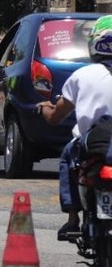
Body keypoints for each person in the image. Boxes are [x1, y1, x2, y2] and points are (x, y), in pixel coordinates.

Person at [38, 15, 112, 240]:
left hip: (92, 144)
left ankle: (72, 219)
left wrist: (41, 108)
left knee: (67, 158)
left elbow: (54, 116)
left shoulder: (82, 75)